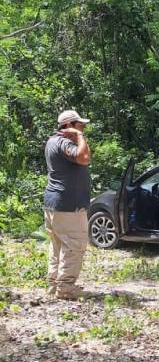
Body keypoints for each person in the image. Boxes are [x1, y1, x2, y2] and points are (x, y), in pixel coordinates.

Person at [43, 110, 92, 299]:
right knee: (74, 244)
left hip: (54, 204)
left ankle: (54, 284)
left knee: (57, 245)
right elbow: (84, 158)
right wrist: (79, 137)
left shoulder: (52, 141)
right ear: (68, 126)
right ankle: (66, 288)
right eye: (80, 125)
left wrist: (79, 137)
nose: (83, 128)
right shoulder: (64, 142)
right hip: (68, 205)